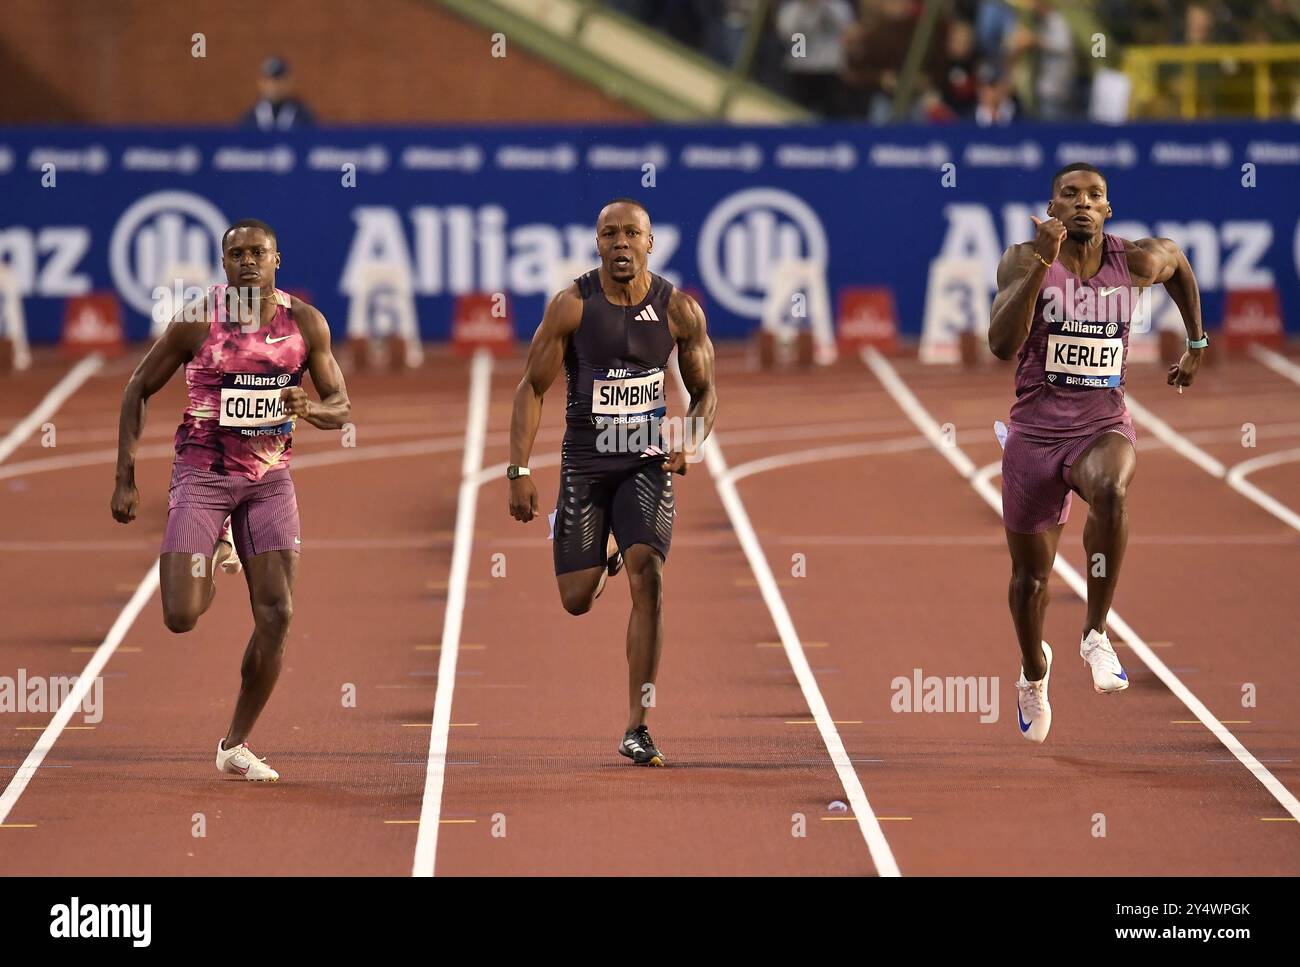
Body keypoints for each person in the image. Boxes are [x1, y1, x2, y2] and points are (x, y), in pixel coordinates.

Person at [111, 219, 350, 779]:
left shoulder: (305, 323)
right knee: (180, 616)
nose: (247, 261)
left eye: (257, 252)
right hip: (203, 477)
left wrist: (308, 409)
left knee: (278, 613)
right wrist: (125, 476)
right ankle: (218, 541)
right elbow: (137, 388)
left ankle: (234, 744)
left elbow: (340, 403)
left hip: (269, 482)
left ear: (277, 258)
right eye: (236, 253)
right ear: (223, 264)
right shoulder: (199, 320)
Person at [987, 163, 1207, 743]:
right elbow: (1000, 345)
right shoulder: (1022, 258)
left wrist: (1196, 342)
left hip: (1100, 423)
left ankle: (1095, 633)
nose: (1082, 203)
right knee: (1029, 581)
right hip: (1033, 434)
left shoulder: (1131, 261)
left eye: (1094, 196)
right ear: (1052, 207)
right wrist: (1040, 262)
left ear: (1108, 209)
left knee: (1111, 487)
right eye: (1070, 195)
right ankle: (1035, 671)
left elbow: (1179, 262)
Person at [507, 198, 717, 767]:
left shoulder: (679, 311)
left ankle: (637, 726)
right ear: (596, 243)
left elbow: (704, 393)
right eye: (609, 234)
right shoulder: (572, 306)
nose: (620, 243)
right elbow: (532, 387)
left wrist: (690, 439)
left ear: (651, 242)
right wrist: (519, 470)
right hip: (586, 463)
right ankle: (603, 549)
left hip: (645, 462)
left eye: (631, 233)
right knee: (576, 599)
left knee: (650, 575)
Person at [241, 57, 315, 131]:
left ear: (289, 82)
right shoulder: (251, 118)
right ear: (260, 83)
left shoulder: (303, 116)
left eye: (278, 80)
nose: (273, 86)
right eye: (269, 80)